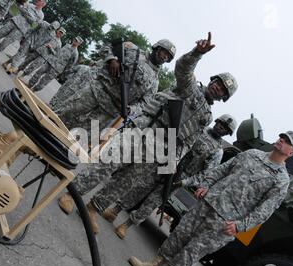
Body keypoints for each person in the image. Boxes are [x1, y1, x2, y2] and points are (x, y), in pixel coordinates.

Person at [74, 33, 238, 233]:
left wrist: (173, 160)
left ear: (223, 97)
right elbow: (183, 68)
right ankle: (73, 191)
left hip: (160, 147)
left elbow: (188, 141)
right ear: (212, 80)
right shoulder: (190, 88)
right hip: (145, 128)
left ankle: (94, 207)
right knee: (108, 163)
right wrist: (197, 53)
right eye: (217, 83)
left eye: (222, 90)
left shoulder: (207, 116)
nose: (217, 88)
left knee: (127, 181)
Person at [128, 131, 293, 266]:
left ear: (291, 153)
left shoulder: (281, 180)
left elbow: (264, 211)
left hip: (225, 221)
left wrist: (239, 226)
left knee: (194, 249)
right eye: (282, 137)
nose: (282, 140)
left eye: (287, 142)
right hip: (208, 203)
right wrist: (206, 184)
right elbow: (222, 169)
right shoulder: (253, 154)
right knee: (179, 235)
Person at [55, 39, 177, 233]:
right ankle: (32, 138)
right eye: (163, 52)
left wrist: (130, 108)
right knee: (63, 117)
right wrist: (112, 60)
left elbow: (145, 103)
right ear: (156, 47)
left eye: (167, 57)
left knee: (80, 138)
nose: (164, 57)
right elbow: (106, 48)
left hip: (110, 111)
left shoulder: (154, 81)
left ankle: (54, 160)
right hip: (97, 91)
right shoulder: (133, 50)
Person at [111, 114, 238, 239]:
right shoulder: (200, 130)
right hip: (166, 163)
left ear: (227, 133)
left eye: (225, 128)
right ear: (217, 121)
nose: (221, 128)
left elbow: (205, 175)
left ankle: (126, 226)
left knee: (152, 202)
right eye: (221, 124)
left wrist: (184, 182)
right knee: (139, 187)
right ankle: (115, 211)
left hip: (179, 178)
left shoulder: (217, 151)